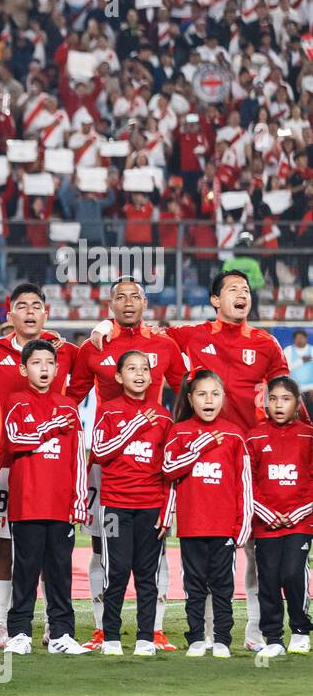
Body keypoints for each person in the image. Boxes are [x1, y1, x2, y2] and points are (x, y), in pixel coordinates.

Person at [91, 270, 285, 652]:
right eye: (232, 289)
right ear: (215, 300)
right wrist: (105, 324)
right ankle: (204, 635)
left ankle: (258, 631)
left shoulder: (266, 344)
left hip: (249, 454)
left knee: (259, 551)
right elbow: (142, 332)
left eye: (245, 290)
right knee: (203, 551)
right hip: (200, 454)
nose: (241, 294)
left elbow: (285, 395)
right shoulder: (190, 334)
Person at [68, 276, 186, 651]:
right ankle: (105, 627)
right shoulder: (94, 345)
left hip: (153, 460)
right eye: (120, 297)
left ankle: (156, 628)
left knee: (156, 544)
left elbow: (187, 389)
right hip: (106, 461)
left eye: (135, 296)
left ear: (146, 302)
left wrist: (180, 439)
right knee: (103, 548)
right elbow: (71, 396)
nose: (128, 302)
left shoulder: (163, 344)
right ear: (111, 305)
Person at [0, 282, 77, 648]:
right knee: (6, 547)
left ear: (46, 313)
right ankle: (3, 625)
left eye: (36, 306)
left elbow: (100, 360)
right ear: (9, 315)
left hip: (52, 471)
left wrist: (104, 329)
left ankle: (52, 627)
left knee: (52, 554)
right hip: (3, 465)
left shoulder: (66, 352)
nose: (29, 311)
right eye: (21, 306)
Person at [1, 340, 91, 655]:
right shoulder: (16, 402)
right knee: (24, 570)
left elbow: (78, 456)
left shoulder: (69, 407)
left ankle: (61, 635)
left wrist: (79, 500)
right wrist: (51, 427)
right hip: (26, 504)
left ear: (57, 369)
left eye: (49, 363)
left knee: (60, 571)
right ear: (23, 369)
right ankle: (20, 633)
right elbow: (14, 440)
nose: (43, 368)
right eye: (36, 363)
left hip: (60, 505)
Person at [161, 369, 253, 658]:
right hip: (191, 526)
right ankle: (197, 638)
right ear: (190, 398)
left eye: (215, 393)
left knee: (224, 587)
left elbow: (244, 483)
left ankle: (223, 639)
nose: (208, 399)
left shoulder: (235, 435)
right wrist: (197, 448)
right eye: (201, 393)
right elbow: (169, 472)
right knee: (194, 586)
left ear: (223, 397)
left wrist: (243, 524)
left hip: (224, 526)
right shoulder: (179, 431)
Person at [88, 350, 173, 656]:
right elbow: (99, 450)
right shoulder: (108, 412)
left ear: (152, 377)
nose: (139, 374)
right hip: (115, 506)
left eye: (144, 369)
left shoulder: (164, 416)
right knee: (117, 571)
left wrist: (167, 510)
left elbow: (170, 470)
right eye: (131, 368)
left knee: (147, 576)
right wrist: (133, 427)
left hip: (151, 508)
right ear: (119, 376)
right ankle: (110, 637)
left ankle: (145, 639)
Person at [245, 376, 313, 657]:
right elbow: (248, 482)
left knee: (292, 573)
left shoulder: (309, 436)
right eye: (273, 399)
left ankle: (299, 630)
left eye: (285, 399)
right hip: (266, 523)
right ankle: (273, 636)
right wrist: (267, 513)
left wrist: (297, 512)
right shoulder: (254, 437)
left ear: (297, 404)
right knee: (269, 577)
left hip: (301, 522)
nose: (278, 404)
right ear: (265, 403)